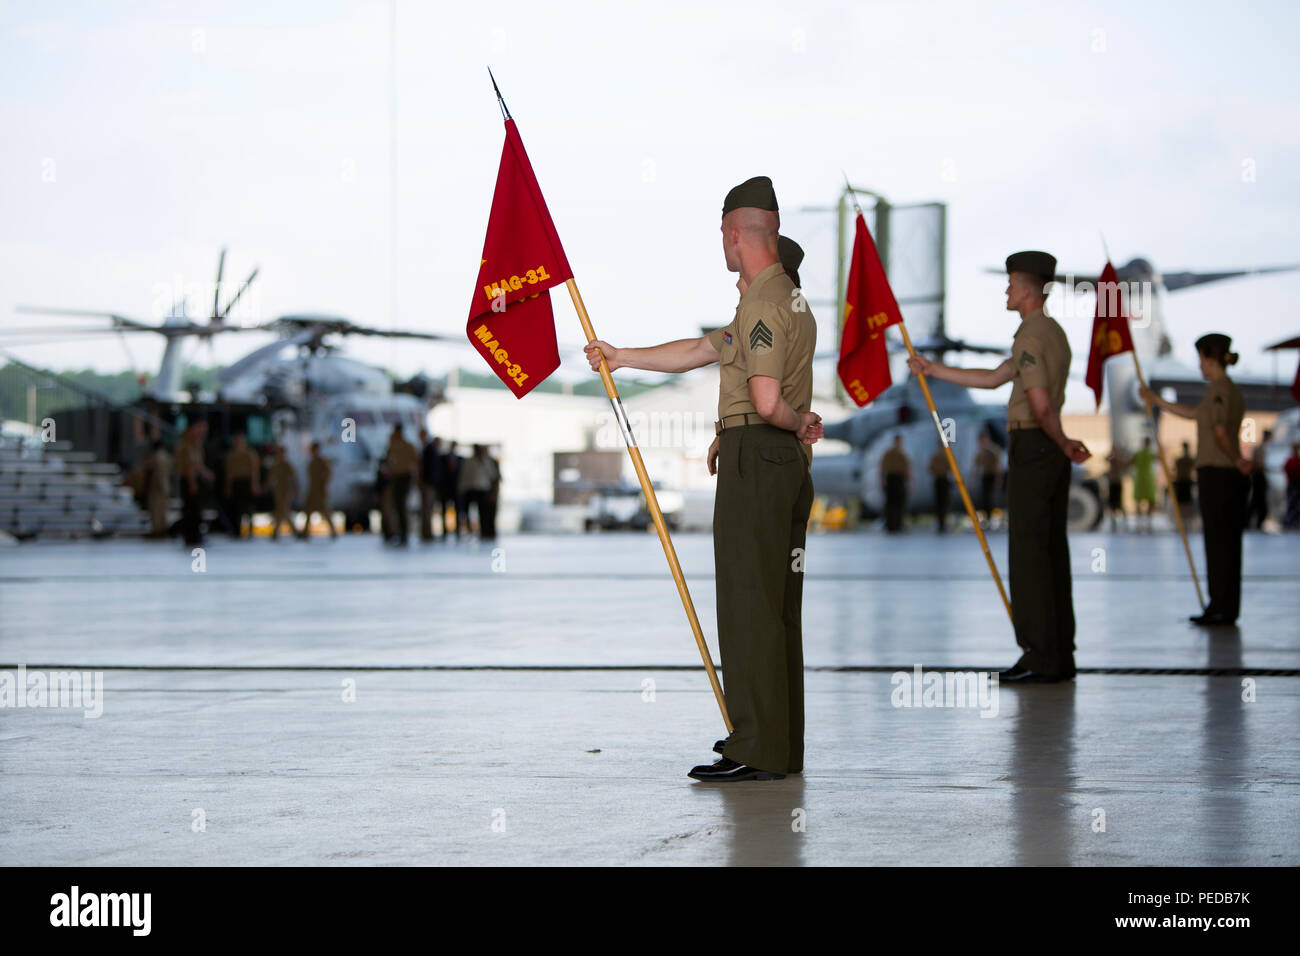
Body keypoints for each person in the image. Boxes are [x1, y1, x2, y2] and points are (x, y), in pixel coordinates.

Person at [585, 177, 822, 781]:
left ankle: (754, 748)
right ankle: (778, 746)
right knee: (776, 609)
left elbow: (768, 402)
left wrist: (793, 424)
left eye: (722, 234)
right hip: (775, 459)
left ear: (736, 233)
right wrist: (623, 356)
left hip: (761, 458)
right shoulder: (783, 303)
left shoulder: (765, 303)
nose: (721, 245)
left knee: (748, 606)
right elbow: (701, 349)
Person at [908, 250, 1089, 682]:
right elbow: (993, 377)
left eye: (1010, 284)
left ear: (1026, 289)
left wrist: (1062, 441)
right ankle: (1059, 654)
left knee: (1028, 555)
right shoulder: (1052, 333)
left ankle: (1039, 656)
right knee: (1051, 552)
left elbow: (1041, 405)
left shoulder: (1029, 336)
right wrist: (933, 368)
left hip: (1036, 444)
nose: (1006, 290)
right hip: (1049, 452)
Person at [1141, 333, 1251, 625]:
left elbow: (1218, 431)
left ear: (1208, 358)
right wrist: (1156, 401)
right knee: (1225, 544)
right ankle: (1222, 606)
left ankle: (1221, 608)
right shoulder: (1224, 389)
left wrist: (1236, 458)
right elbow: (1192, 414)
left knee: (1219, 544)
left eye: (1200, 359)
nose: (1198, 365)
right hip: (1223, 474)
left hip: (1219, 473)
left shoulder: (1220, 391)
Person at [174, 418, 213, 547]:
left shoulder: (196, 445)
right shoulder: (187, 445)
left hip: (195, 480)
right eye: (200, 429)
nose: (203, 432)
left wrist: (205, 473)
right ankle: (191, 536)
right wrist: (192, 483)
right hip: (189, 480)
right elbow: (189, 466)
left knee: (196, 510)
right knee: (191, 510)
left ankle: (195, 535)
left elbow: (198, 465)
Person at [384, 424, 419, 545]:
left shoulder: (408, 446)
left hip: (404, 477)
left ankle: (404, 534)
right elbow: (387, 462)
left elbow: (415, 463)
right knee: (394, 507)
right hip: (395, 477)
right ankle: (396, 532)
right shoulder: (392, 446)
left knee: (402, 506)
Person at [223, 433, 261, 539]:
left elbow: (254, 470)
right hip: (237, 482)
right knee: (237, 508)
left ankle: (250, 530)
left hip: (247, 482)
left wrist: (254, 484)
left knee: (248, 508)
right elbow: (229, 473)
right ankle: (237, 530)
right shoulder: (231, 455)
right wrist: (228, 487)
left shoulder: (250, 454)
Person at [301, 442, 336, 540]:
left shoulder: (322, 461)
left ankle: (333, 531)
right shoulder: (311, 462)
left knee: (325, 511)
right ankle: (305, 532)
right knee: (308, 511)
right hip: (312, 490)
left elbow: (328, 474)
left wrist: (324, 485)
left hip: (320, 491)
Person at [880, 434, 911, 533]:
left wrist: (909, 482)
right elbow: (883, 469)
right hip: (892, 479)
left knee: (900, 503)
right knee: (891, 504)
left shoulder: (902, 454)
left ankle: (898, 524)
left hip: (900, 479)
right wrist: (882, 481)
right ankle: (890, 525)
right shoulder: (889, 454)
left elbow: (907, 470)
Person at [268, 444, 298, 540]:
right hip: (278, 490)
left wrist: (296, 489)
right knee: (281, 511)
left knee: (283, 510)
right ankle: (278, 532)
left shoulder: (287, 464)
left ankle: (277, 532)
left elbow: (293, 477)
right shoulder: (276, 464)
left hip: (286, 490)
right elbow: (271, 478)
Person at [1131, 437, 1158, 533]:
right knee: (1141, 501)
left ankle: (1147, 523)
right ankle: (1141, 523)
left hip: (1145, 478)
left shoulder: (1149, 454)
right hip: (1142, 478)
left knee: (1149, 501)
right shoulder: (1140, 454)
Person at [418, 429, 441, 542]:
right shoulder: (429, 449)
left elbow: (426, 468)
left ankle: (427, 532)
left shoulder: (428, 449)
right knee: (427, 509)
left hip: (429, 483)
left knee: (427, 508)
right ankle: (426, 532)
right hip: (429, 483)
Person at [146, 440, 172, 539]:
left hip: (156, 487)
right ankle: (161, 528)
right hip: (165, 485)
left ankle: (158, 530)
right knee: (163, 509)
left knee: (156, 510)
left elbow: (158, 473)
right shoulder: (166, 456)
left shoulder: (156, 457)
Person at [438, 443, 463, 540]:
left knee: (457, 510)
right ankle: (444, 531)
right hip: (445, 488)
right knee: (444, 509)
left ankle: (458, 531)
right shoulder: (442, 458)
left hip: (456, 488)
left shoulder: (460, 459)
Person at [975, 431, 1001, 525]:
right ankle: (987, 518)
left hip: (992, 476)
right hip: (985, 476)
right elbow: (977, 465)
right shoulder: (981, 452)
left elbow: (998, 465)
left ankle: (993, 518)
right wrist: (974, 479)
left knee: (992, 498)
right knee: (985, 498)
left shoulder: (992, 450)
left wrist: (998, 480)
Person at [1249, 429, 1272, 529]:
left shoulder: (1263, 448)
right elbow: (1258, 463)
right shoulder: (1260, 448)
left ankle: (1257, 521)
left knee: (1258, 500)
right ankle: (1255, 521)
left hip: (1259, 475)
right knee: (1257, 499)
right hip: (1258, 475)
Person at [1105, 445, 1129, 532]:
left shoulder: (1119, 460)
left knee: (1119, 503)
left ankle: (1124, 522)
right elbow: (1105, 459)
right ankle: (1113, 522)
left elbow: (1125, 465)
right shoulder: (1112, 459)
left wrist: (1120, 456)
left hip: (1118, 482)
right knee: (1112, 504)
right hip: (1112, 482)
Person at [928, 443, 951, 533]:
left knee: (941, 503)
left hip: (940, 480)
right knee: (943, 503)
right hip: (942, 480)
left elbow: (930, 468)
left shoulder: (936, 456)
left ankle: (942, 523)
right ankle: (942, 523)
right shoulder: (946, 456)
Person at [1283, 442, 1300, 530]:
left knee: (1293, 504)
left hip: (1294, 485)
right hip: (1294, 485)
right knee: (1293, 504)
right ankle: (1291, 521)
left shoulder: (1292, 461)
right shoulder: (1292, 461)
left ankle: (1292, 521)